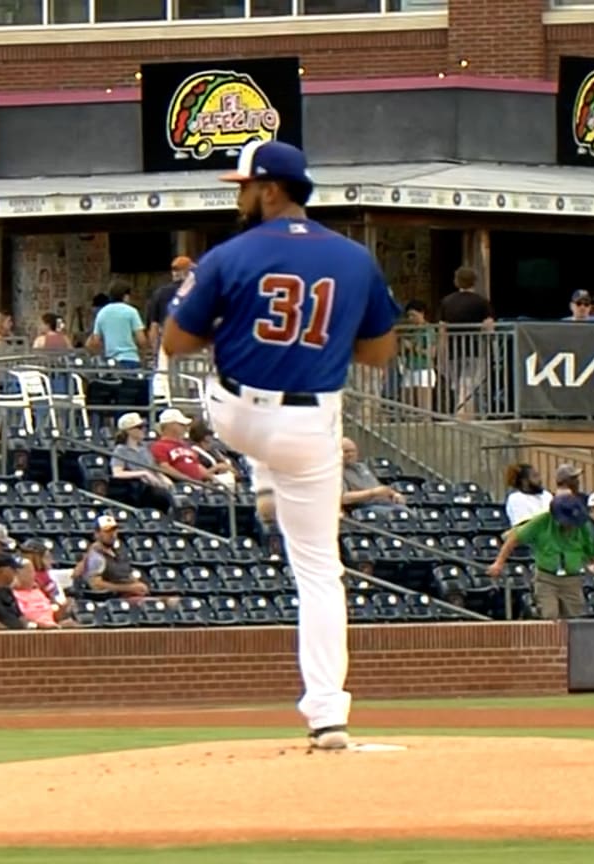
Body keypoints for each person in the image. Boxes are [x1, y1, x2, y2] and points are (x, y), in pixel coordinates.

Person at [162, 140, 400, 752]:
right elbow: (379, 354)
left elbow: (175, 342)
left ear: (269, 189)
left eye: (243, 185)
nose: (238, 195)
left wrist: (230, 326)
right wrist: (323, 338)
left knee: (220, 393)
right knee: (320, 571)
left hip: (234, 413)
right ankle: (328, 718)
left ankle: (262, 474)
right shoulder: (354, 258)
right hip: (309, 426)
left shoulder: (229, 254)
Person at [486, 494, 594, 618]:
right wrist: (499, 563)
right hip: (547, 579)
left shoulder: (583, 528)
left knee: (574, 619)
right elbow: (514, 539)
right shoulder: (541, 522)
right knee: (550, 615)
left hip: (572, 579)